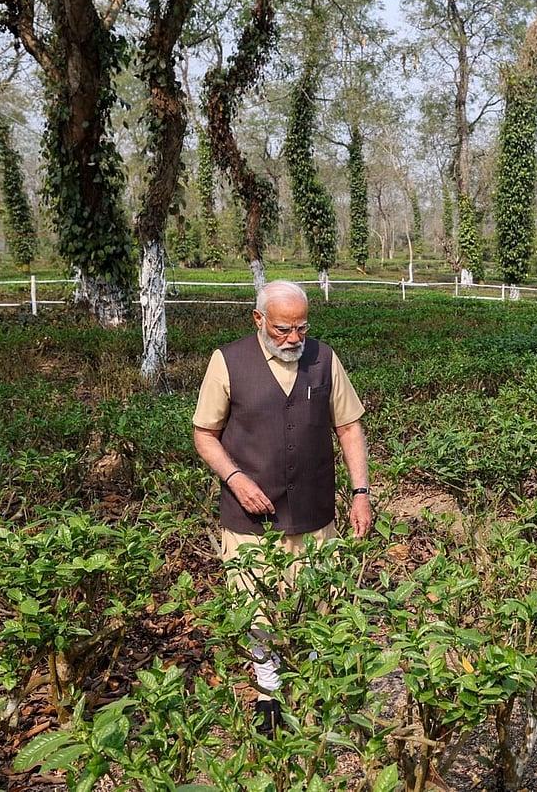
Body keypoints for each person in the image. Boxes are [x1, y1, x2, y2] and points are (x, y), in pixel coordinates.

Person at [192, 279, 372, 736]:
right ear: (259, 320)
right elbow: (204, 435)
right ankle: (269, 694)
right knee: (257, 612)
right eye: (282, 329)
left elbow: (349, 427)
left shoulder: (325, 358)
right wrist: (235, 478)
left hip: (314, 512)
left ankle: (311, 688)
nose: (293, 338)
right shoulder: (227, 361)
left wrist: (360, 491)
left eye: (301, 328)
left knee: (318, 604)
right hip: (250, 520)